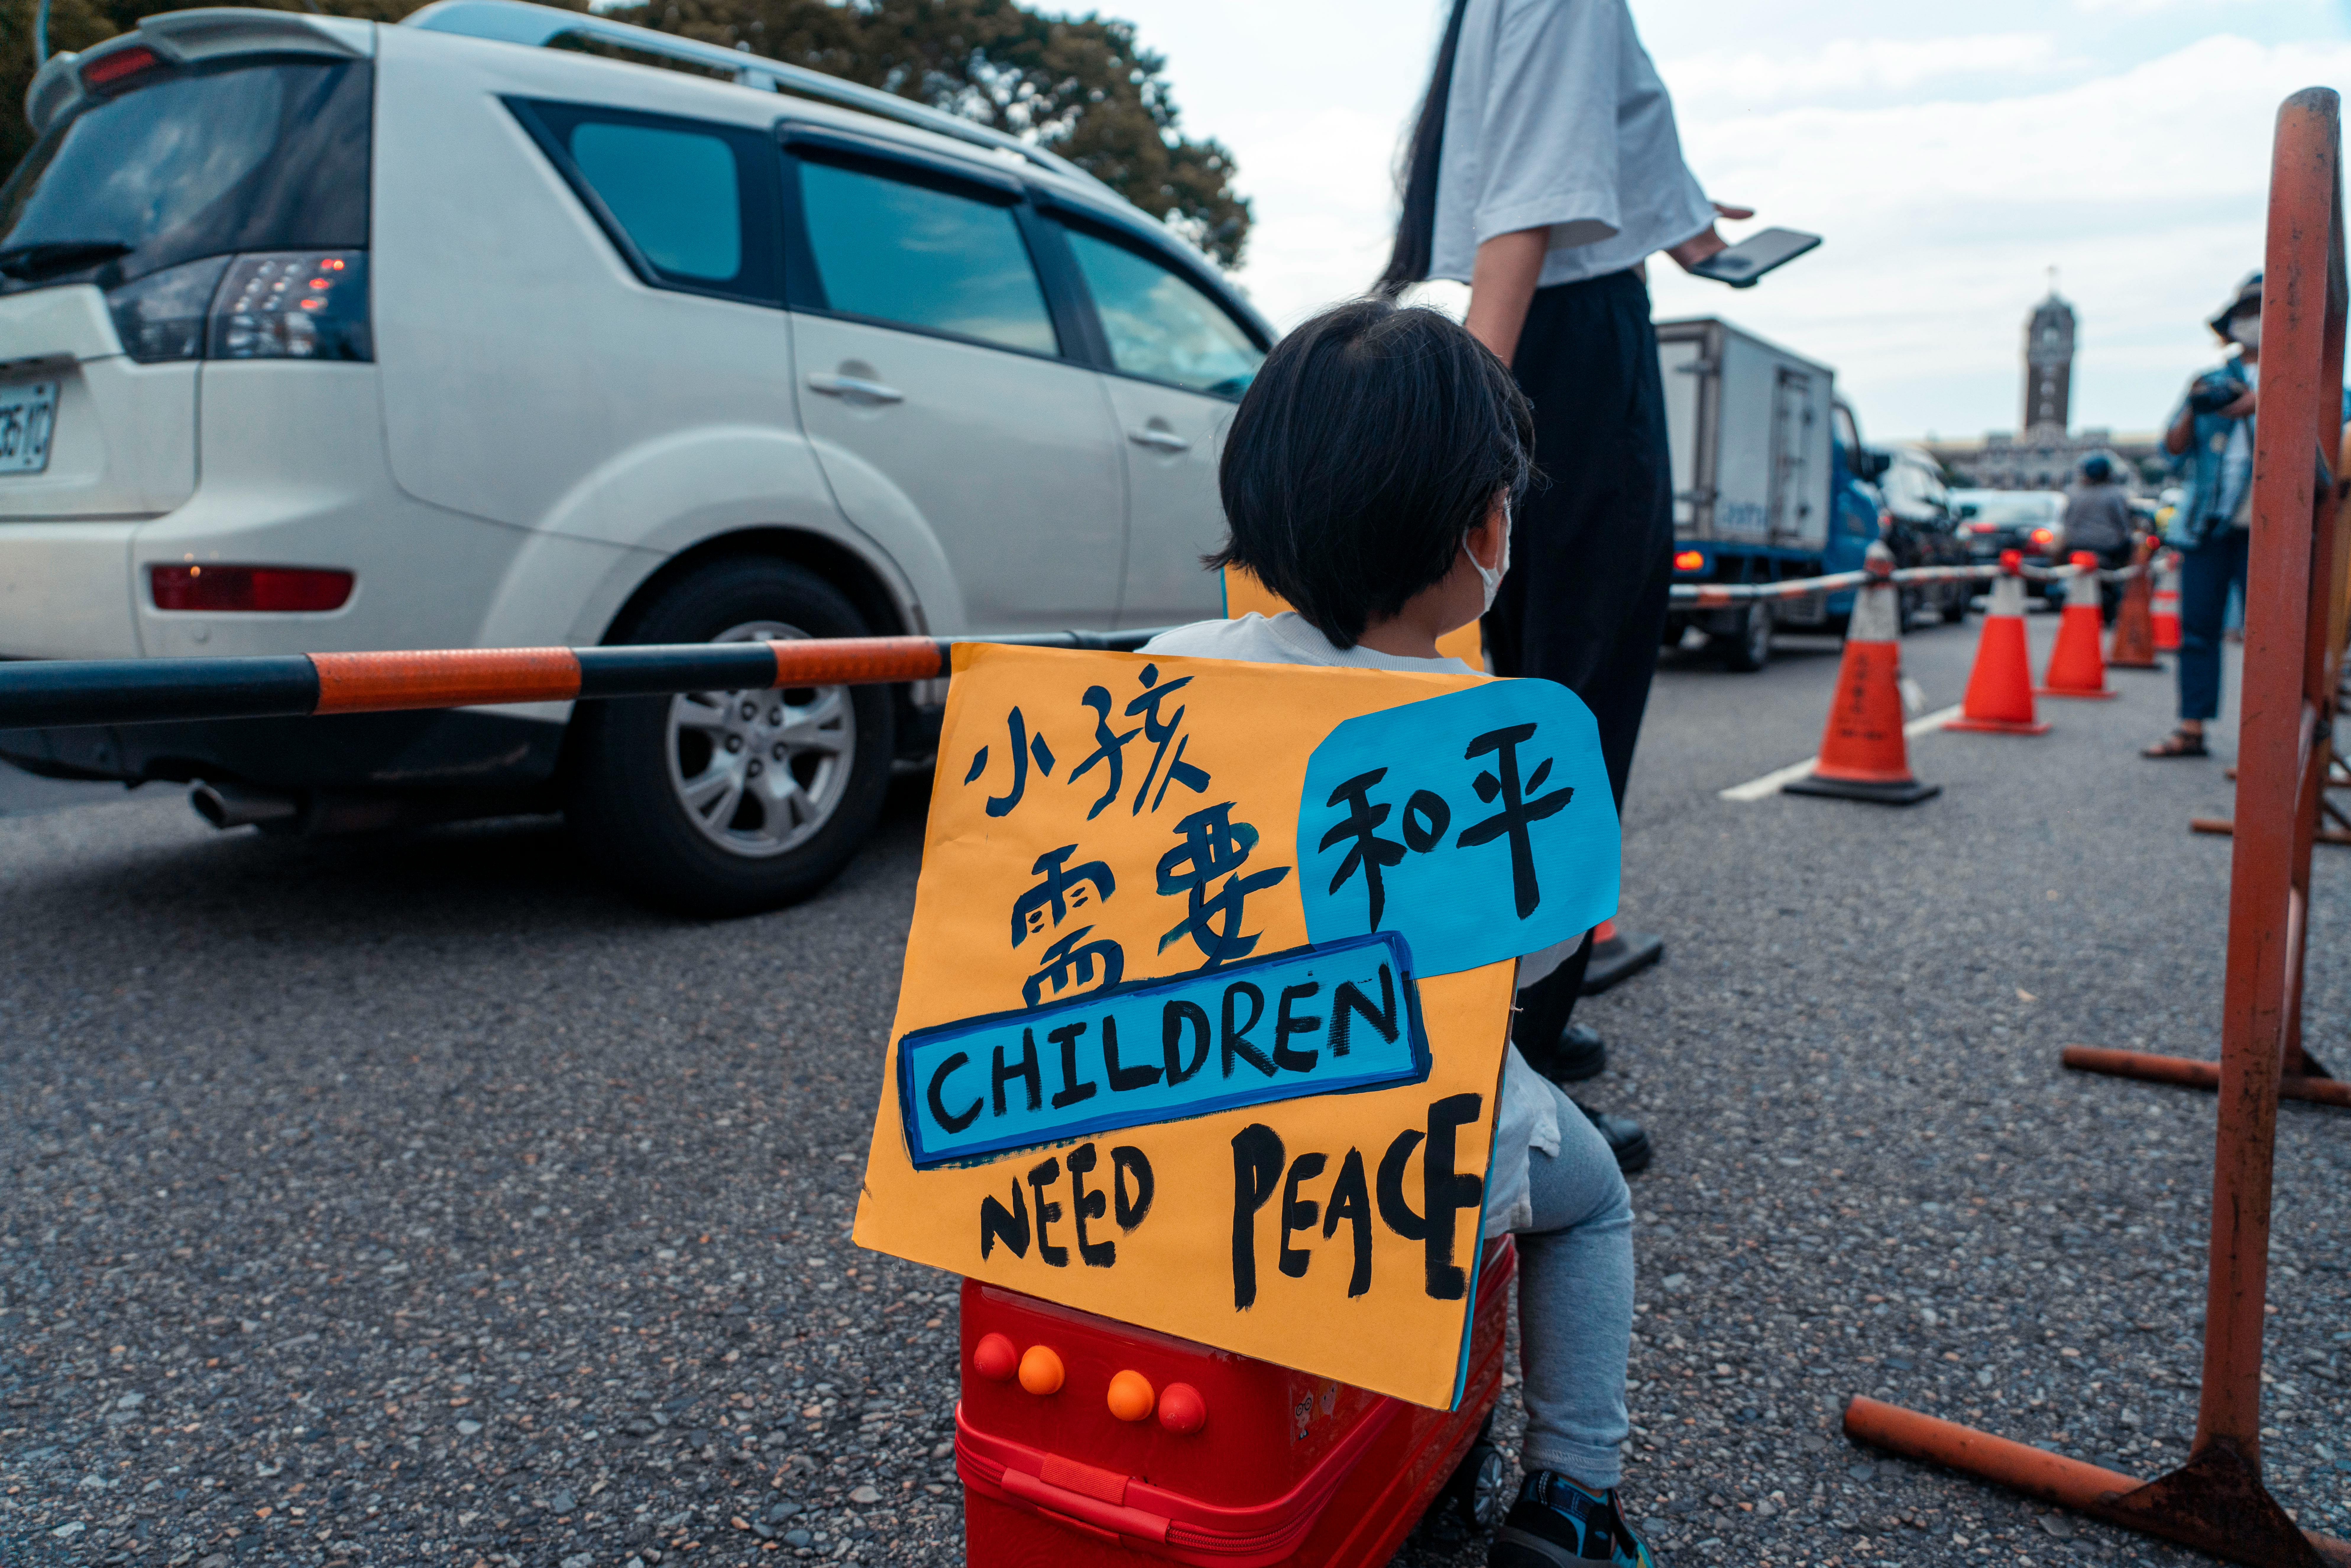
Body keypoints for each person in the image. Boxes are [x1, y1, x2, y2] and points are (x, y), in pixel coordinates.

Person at [1143, 299, 1657, 1568]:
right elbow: (1527, 974)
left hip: (1178, 1099)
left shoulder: (1167, 665)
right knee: (1588, 1204)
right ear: (1484, 528)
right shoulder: (1496, 736)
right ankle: (1570, 1497)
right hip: (1414, 1140)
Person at [1376, 0, 1746, 1166]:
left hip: (1554, 331)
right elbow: (1530, 206)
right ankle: (1501, 1075)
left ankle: (1505, 1021)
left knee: (1532, 699)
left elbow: (1553, 177)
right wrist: (1468, 420)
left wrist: (1690, 231)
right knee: (1569, 714)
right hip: (1567, 345)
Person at [2145, 274, 2263, 758]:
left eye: (2263, 309)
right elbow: (2169, 453)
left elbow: (2340, 418)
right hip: (2207, 522)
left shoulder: (2308, 377)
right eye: (2248, 311)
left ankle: (2272, 742)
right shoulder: (2209, 380)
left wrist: (2265, 401)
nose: (2255, 319)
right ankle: (2191, 726)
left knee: (2277, 636)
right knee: (2197, 628)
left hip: (2274, 526)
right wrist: (2196, 408)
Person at [2060, 454, 2134, 625]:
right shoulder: (2116, 494)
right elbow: (2124, 524)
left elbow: (2067, 521)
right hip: (2108, 548)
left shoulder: (2074, 493)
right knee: (2122, 573)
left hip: (2076, 545)